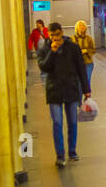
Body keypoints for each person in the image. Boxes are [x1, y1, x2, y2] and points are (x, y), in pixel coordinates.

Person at [38, 22, 91, 168]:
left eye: (56, 34)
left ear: (61, 32)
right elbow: (44, 67)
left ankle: (72, 151)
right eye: (51, 35)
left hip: (71, 89)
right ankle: (60, 155)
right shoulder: (45, 49)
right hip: (54, 91)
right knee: (57, 123)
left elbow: (81, 68)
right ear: (48, 34)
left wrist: (86, 89)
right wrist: (53, 52)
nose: (54, 38)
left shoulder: (72, 47)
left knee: (73, 122)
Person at [74, 19, 96, 87]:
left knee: (87, 79)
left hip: (88, 63)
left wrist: (86, 51)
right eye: (80, 26)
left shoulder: (89, 38)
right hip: (77, 64)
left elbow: (93, 49)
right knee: (79, 82)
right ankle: (79, 96)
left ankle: (87, 95)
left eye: (83, 26)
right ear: (77, 28)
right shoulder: (73, 39)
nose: (82, 27)